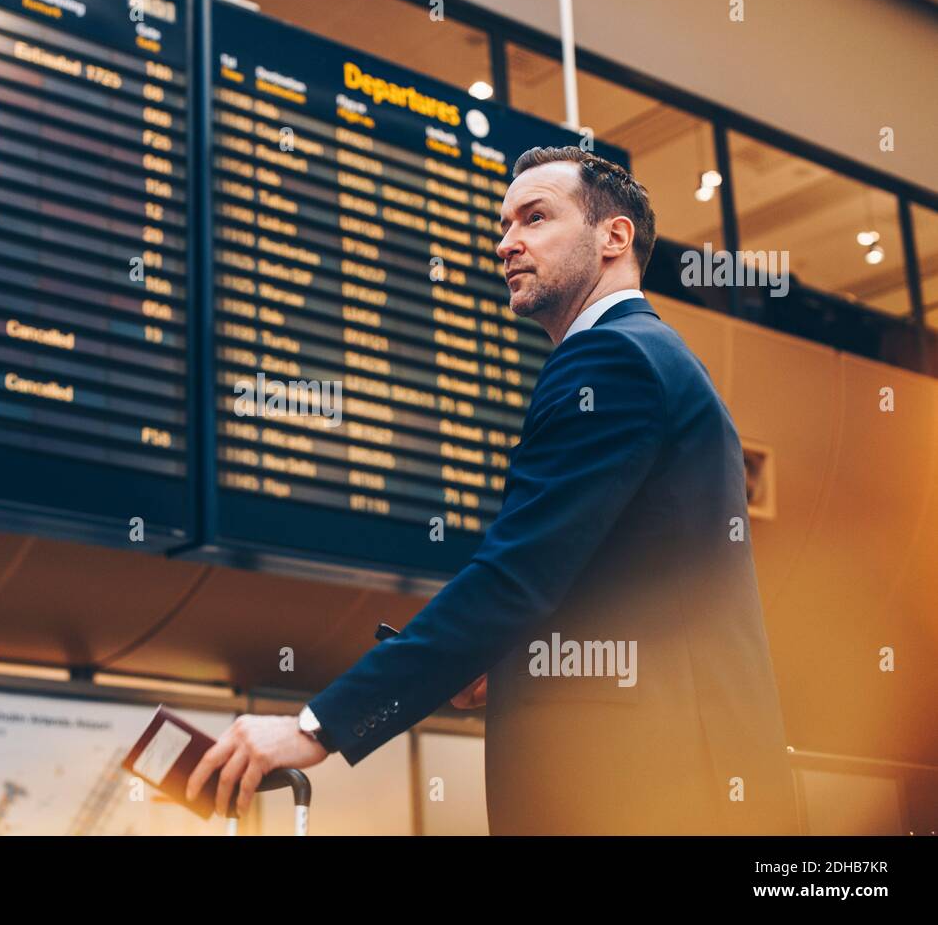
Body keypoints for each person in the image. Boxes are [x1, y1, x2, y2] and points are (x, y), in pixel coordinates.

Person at [186, 145, 799, 835]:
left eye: (534, 218)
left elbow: (515, 577)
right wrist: (521, 658)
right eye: (504, 225)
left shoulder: (612, 358)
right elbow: (627, 593)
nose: (506, 243)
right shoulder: (652, 355)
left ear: (614, 237)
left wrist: (316, 727)